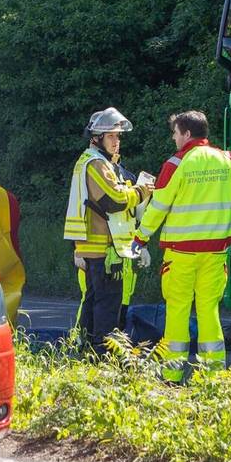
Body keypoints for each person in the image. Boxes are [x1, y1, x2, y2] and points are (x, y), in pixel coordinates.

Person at [132, 110, 231, 383]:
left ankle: (172, 375)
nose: (173, 138)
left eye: (175, 133)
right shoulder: (226, 159)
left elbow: (158, 207)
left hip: (181, 254)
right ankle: (213, 376)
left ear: (187, 134)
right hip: (215, 253)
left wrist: (140, 238)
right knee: (209, 311)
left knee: (178, 310)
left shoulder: (175, 164)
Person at [64, 107, 152, 346]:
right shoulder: (97, 164)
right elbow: (115, 201)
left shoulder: (95, 162)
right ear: (97, 138)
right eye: (111, 136)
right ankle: (104, 354)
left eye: (118, 136)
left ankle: (88, 351)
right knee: (107, 306)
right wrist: (142, 191)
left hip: (97, 249)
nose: (117, 141)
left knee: (94, 302)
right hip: (104, 250)